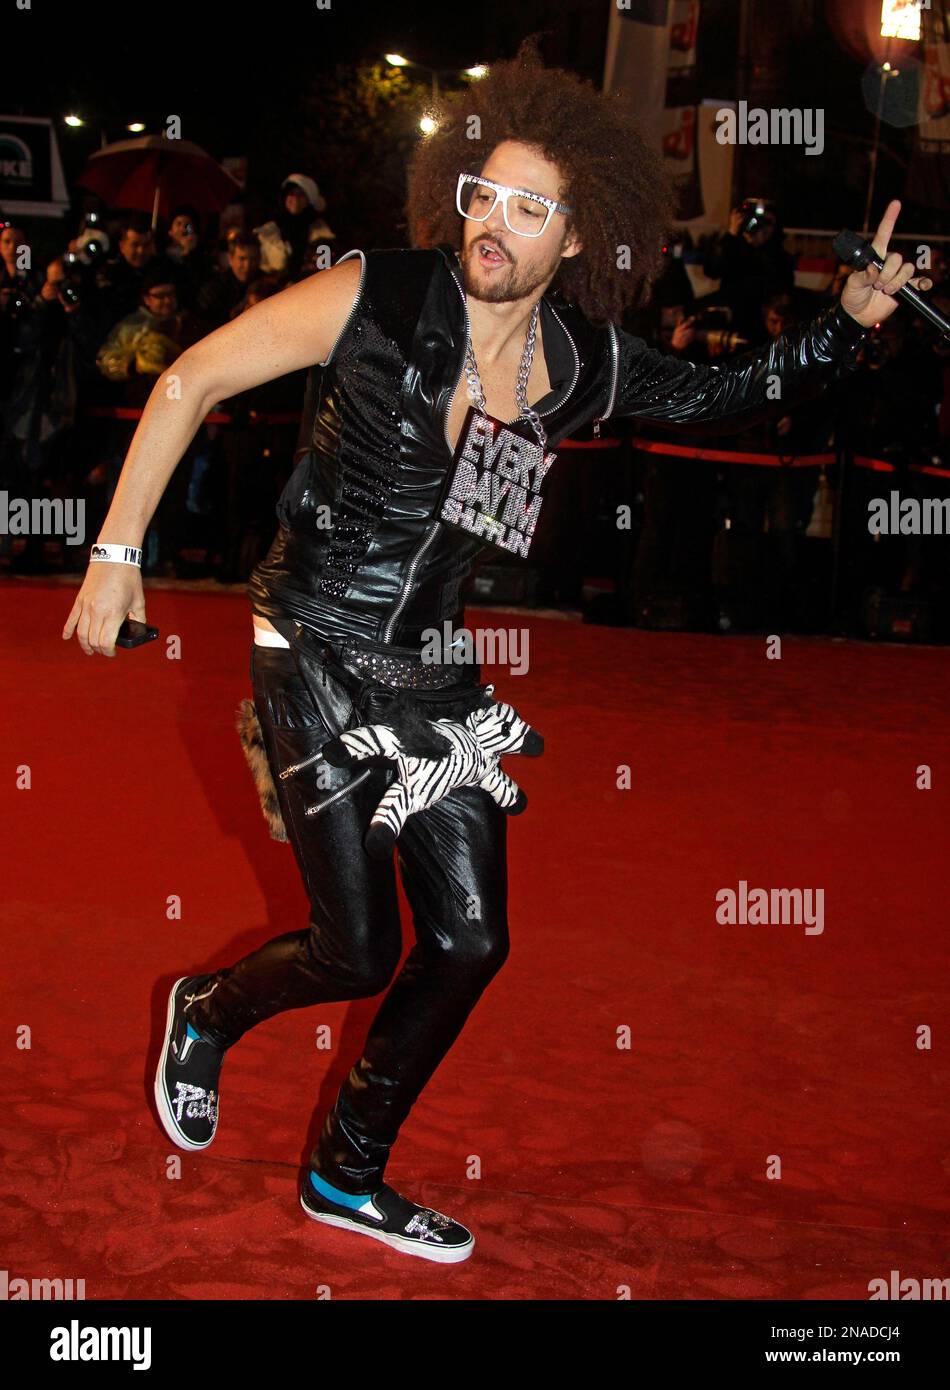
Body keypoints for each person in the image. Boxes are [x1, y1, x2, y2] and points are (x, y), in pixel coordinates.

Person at [61, 36, 929, 1265]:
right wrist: (114, 553)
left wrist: (842, 327)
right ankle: (208, 1009)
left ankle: (345, 1174)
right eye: (485, 196)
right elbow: (190, 379)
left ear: (573, 238)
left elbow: (717, 397)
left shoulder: (577, 364)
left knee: (470, 941)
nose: (495, 224)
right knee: (356, 948)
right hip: (308, 640)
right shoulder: (378, 291)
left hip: (432, 670)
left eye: (530, 209)